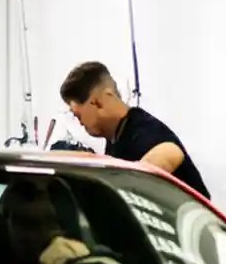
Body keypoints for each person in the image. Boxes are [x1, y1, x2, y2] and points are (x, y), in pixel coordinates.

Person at [59, 61, 211, 198]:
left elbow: (171, 151)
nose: (79, 122)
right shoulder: (116, 137)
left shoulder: (143, 130)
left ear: (98, 102)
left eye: (78, 115)